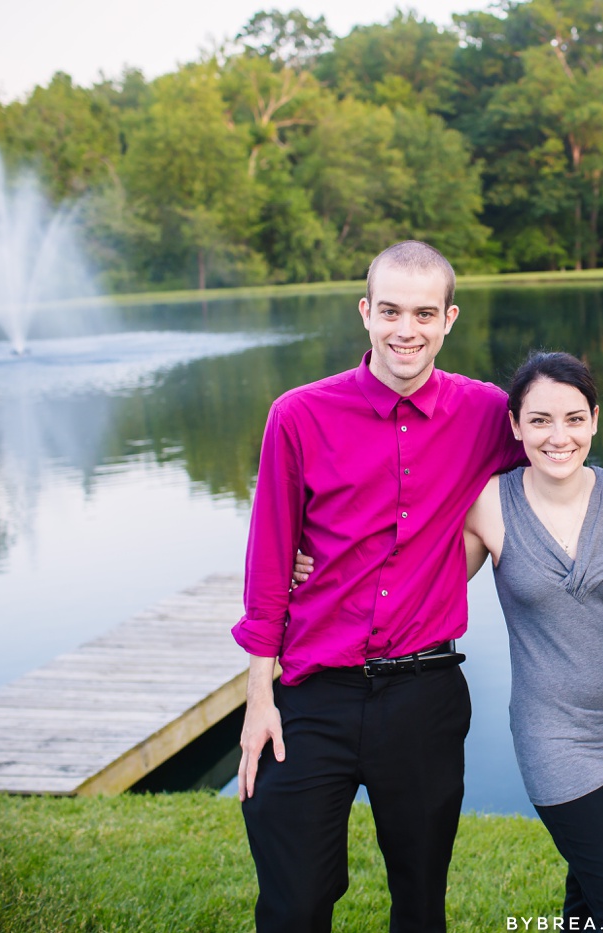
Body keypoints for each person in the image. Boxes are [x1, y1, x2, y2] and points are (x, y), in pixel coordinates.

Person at [297, 351, 603, 930]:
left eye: (574, 419)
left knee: (592, 900)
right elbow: (414, 574)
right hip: (555, 737)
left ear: (595, 420)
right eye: (540, 420)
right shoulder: (490, 505)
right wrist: (311, 567)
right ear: (515, 426)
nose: (559, 437)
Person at [230, 240, 525, 933]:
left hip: (424, 694)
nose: (406, 330)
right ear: (365, 312)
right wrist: (259, 698)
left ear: (448, 319)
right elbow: (269, 563)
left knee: (420, 904)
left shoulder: (488, 414)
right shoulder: (298, 415)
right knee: (295, 902)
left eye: (424, 314)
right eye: (390, 311)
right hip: (313, 694)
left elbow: (560, 462)